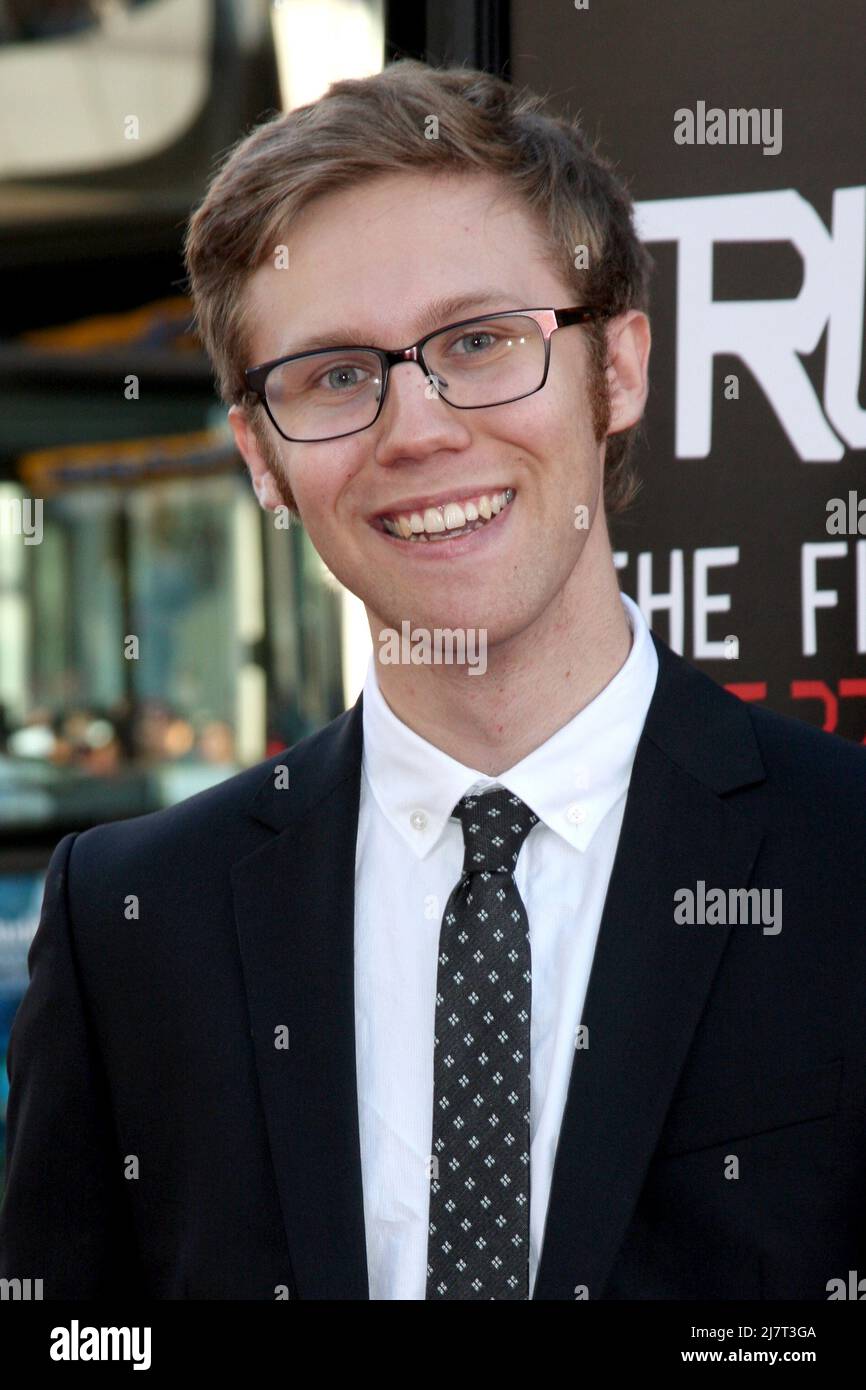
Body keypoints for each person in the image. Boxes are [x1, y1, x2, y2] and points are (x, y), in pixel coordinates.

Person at [2, 60, 865, 1302]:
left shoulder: (843, 860)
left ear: (616, 371)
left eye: (479, 341)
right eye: (336, 375)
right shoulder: (134, 926)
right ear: (259, 453)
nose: (416, 428)